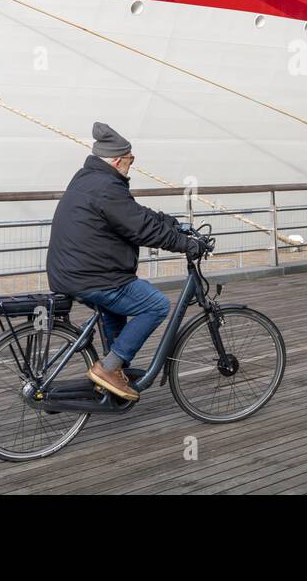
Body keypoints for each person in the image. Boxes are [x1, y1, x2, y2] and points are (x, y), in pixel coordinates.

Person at [45, 122, 208, 401]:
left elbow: (134, 214)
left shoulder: (88, 177)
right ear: (119, 160)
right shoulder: (107, 187)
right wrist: (186, 245)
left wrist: (172, 224)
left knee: (115, 315)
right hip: (92, 276)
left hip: (71, 272)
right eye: (131, 160)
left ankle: (113, 375)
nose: (132, 165)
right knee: (154, 305)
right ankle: (108, 370)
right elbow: (142, 229)